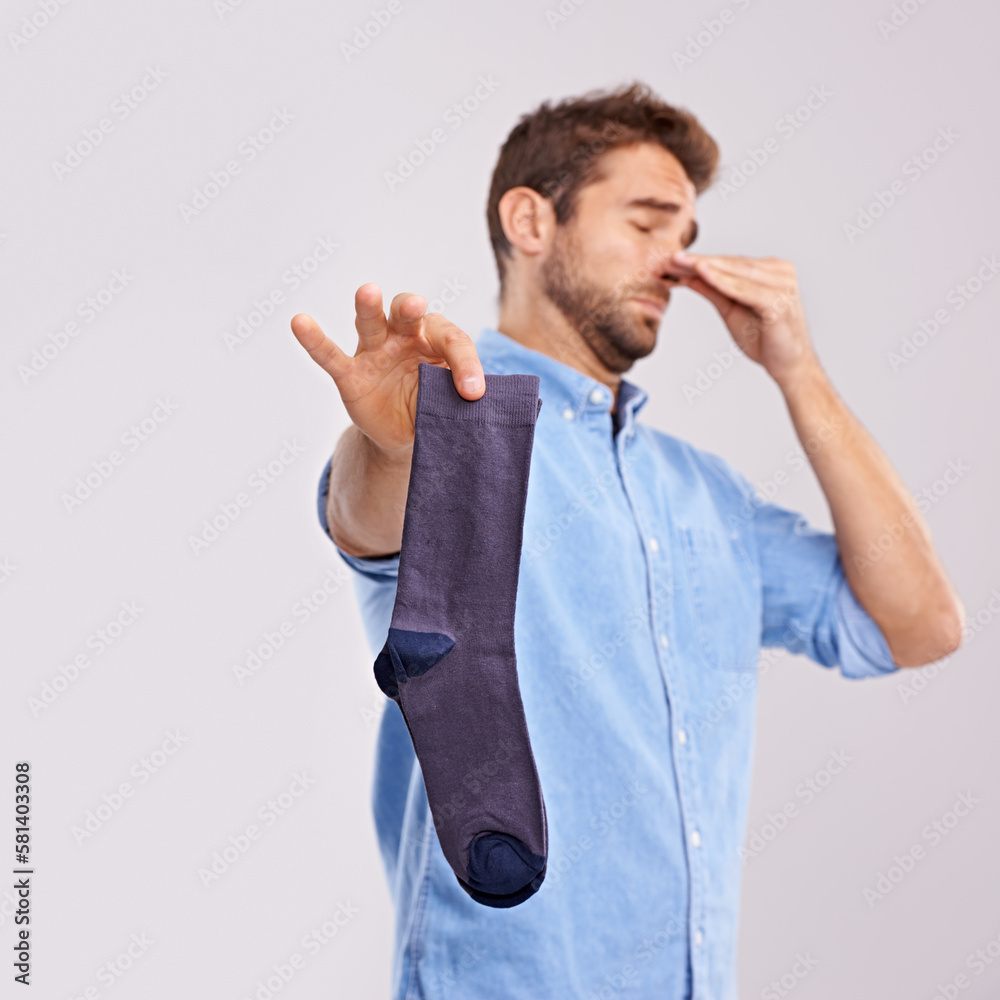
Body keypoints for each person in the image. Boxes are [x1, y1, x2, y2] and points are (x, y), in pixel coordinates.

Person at [290, 82, 964, 1000]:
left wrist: (797, 370)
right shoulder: (447, 435)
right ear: (531, 220)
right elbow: (369, 518)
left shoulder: (709, 496)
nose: (678, 264)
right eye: (647, 224)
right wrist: (398, 443)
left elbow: (920, 625)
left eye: (685, 238)